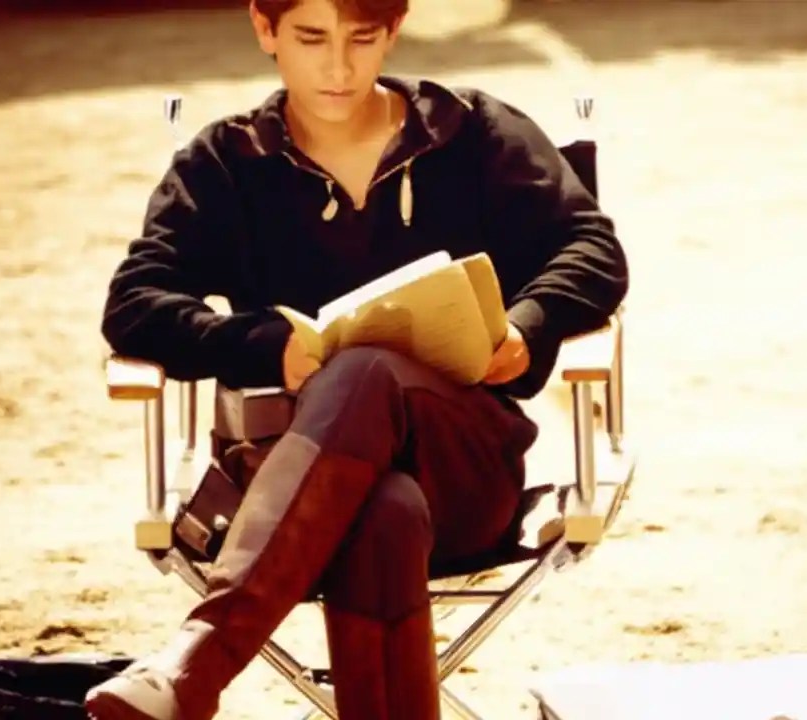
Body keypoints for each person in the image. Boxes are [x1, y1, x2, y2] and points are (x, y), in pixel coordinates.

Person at [84, 0, 628, 718]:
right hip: (283, 483)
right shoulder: (227, 162)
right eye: (310, 37)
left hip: (460, 471)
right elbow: (134, 305)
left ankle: (197, 662)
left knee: (364, 370)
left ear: (392, 31)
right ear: (265, 28)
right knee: (381, 509)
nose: (338, 66)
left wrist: (528, 327)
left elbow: (591, 249)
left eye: (361, 38)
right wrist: (262, 347)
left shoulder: (471, 135)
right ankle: (195, 668)